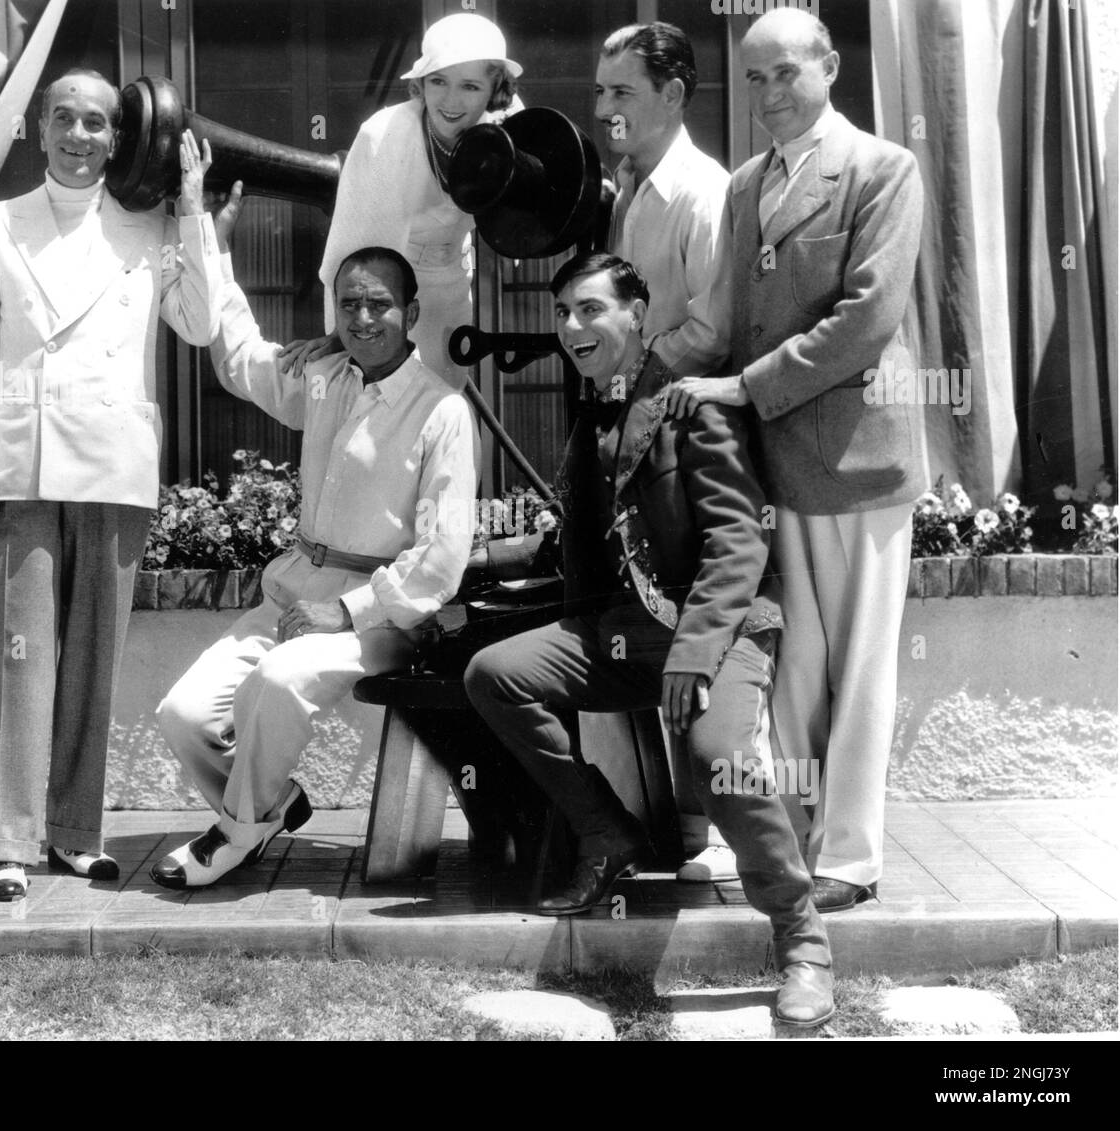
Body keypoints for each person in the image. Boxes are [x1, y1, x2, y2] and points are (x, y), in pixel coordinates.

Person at [464, 253, 833, 1027]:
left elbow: (738, 542)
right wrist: (479, 555)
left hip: (719, 632)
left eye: (591, 309)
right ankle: (608, 831)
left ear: (637, 315)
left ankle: (802, 939)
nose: (572, 326)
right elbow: (584, 542)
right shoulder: (593, 411)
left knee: (717, 760)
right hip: (624, 636)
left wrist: (698, 653)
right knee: (495, 673)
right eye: (562, 310)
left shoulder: (691, 402)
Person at [0, 70, 221, 901]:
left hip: (113, 461)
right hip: (22, 462)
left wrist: (195, 208)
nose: (78, 135)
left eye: (96, 123)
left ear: (117, 138)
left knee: (92, 661)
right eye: (62, 118)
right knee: (21, 655)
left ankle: (74, 834)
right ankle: (8, 843)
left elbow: (202, 325)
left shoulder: (148, 226)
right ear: (37, 128)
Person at [675, 9, 925, 912]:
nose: (771, 93)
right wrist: (641, 373)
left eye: (788, 73)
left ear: (829, 69)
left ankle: (849, 856)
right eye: (754, 79)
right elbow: (723, 316)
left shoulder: (882, 170)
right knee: (792, 661)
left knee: (860, 665)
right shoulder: (746, 185)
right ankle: (774, 833)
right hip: (776, 464)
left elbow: (867, 317)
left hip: (861, 464)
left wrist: (743, 388)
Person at [149, 232, 477, 888]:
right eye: (348, 303)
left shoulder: (443, 410)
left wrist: (350, 610)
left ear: (411, 315)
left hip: (386, 617)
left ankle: (234, 834)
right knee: (183, 713)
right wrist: (209, 241)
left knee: (279, 678)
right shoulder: (325, 380)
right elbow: (241, 359)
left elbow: (442, 556)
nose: (361, 318)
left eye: (379, 304)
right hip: (295, 591)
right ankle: (268, 808)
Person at [596, 20, 737, 883]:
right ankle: (677, 822)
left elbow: (714, 328)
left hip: (685, 439)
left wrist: (637, 384)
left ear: (675, 95)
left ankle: (716, 834)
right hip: (634, 431)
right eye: (602, 91)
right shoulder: (629, 184)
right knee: (645, 616)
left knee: (691, 618)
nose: (606, 107)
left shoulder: (701, 190)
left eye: (623, 92)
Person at [281, 11, 521, 387]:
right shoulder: (383, 134)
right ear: (420, 83)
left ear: (496, 91)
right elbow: (352, 244)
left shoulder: (505, 131)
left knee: (445, 406)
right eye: (438, 81)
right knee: (381, 403)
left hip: (453, 288)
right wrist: (341, 334)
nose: (451, 101)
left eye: (470, 87)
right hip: (384, 292)